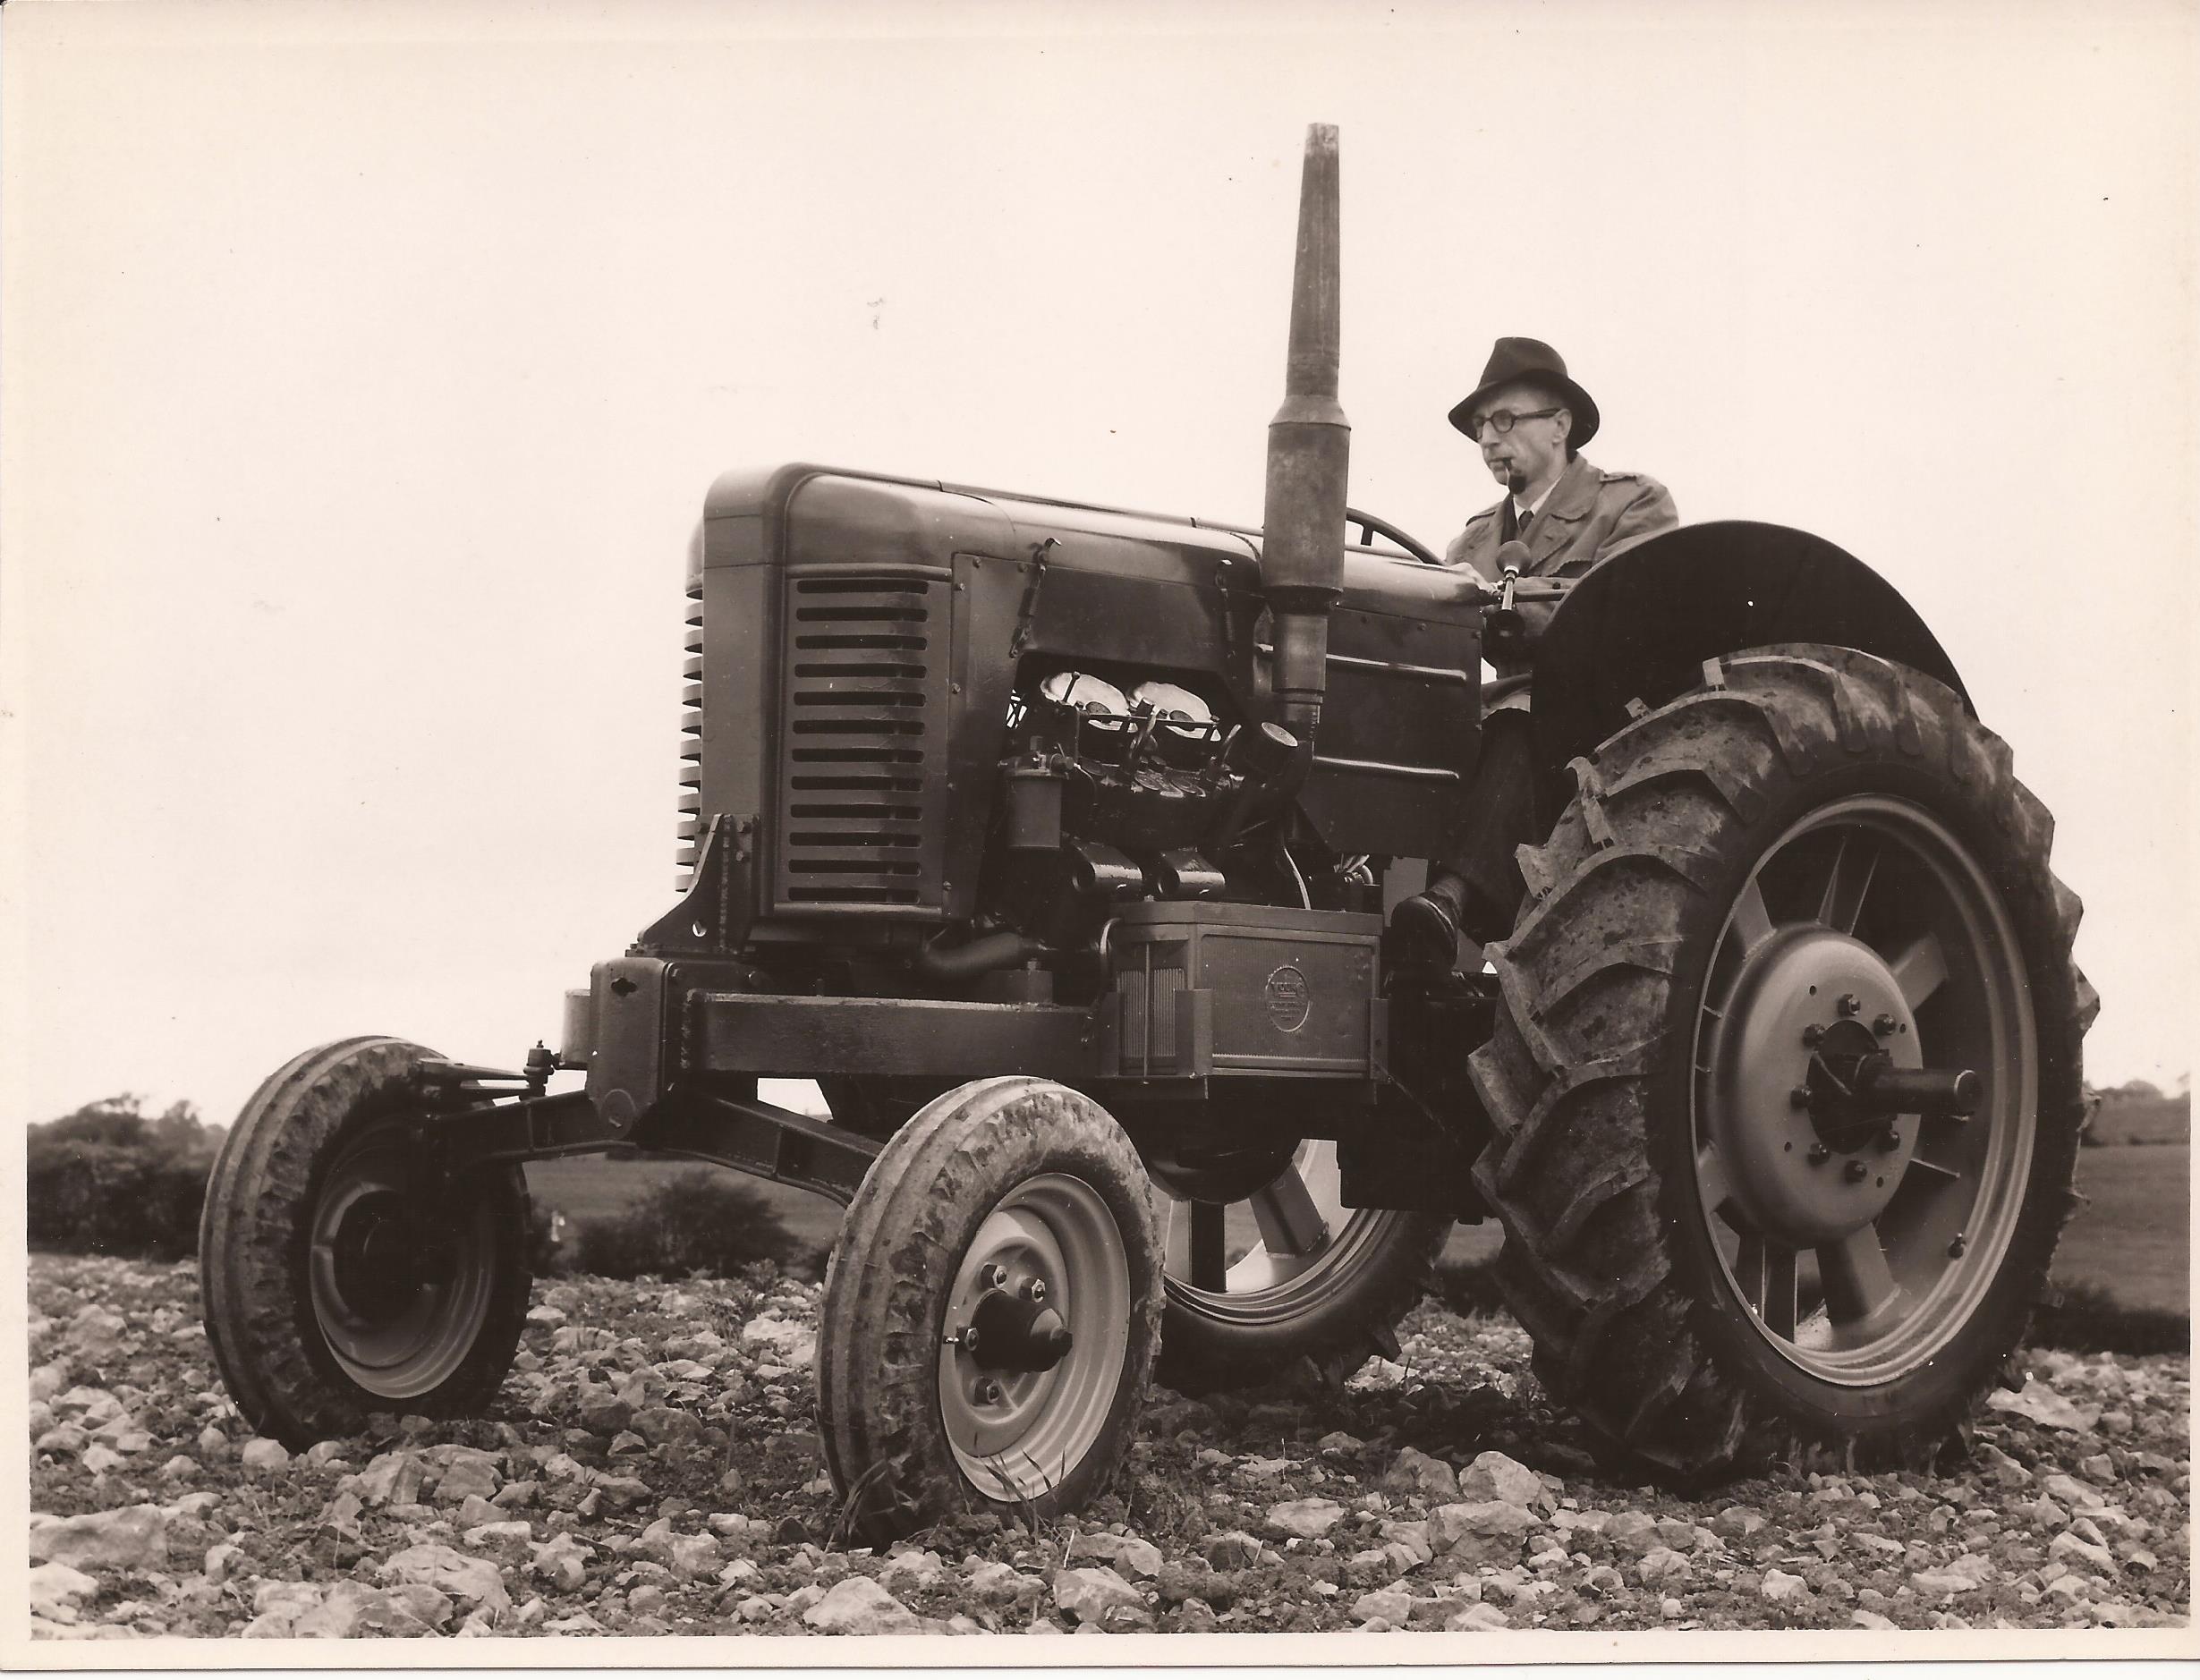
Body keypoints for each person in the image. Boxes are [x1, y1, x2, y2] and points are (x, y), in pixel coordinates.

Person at [1392, 337, 1678, 965]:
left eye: (1502, 420)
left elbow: (1624, 617)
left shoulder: (1631, 503)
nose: (1488, 441)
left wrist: (1514, 613)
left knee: (1519, 712)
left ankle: (1447, 900)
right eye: (1477, 429)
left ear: (1559, 424)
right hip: (1495, 721)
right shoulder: (1470, 541)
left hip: (1598, 728)